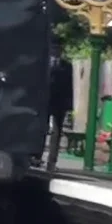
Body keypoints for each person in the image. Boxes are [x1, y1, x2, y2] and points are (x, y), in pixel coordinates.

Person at [42, 44, 74, 172]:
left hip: (59, 103)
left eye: (59, 49)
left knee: (56, 132)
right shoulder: (44, 63)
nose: (56, 51)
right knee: (41, 129)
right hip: (45, 101)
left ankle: (52, 161)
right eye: (54, 49)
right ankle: (36, 157)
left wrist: (69, 104)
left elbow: (69, 86)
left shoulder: (67, 66)